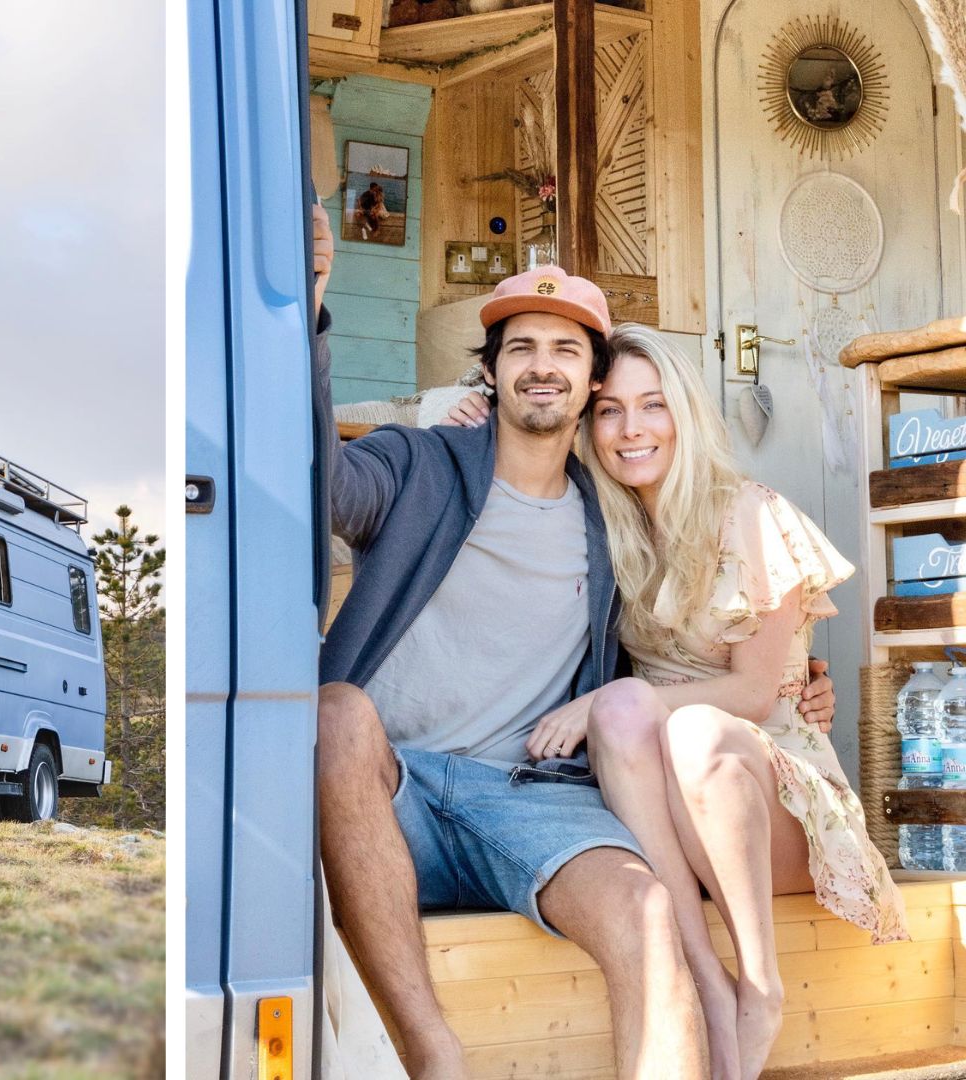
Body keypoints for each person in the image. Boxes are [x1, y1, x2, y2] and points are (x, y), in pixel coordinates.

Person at [308, 203, 837, 1080]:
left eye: (565, 349)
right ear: (490, 373)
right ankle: (432, 1053)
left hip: (530, 798)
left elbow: (687, 646)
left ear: (590, 382)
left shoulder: (615, 522)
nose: (542, 365)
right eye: (520, 348)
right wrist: (310, 317)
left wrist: (800, 681)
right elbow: (317, 483)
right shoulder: (417, 466)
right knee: (333, 716)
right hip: (394, 792)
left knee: (647, 912)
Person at [444, 326, 907, 1080]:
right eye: (611, 411)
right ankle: (705, 981)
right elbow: (522, 445)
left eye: (653, 405)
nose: (632, 429)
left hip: (771, 800)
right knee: (630, 715)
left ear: (684, 413)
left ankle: (760, 988)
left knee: (677, 726)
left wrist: (608, 698)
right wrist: (473, 420)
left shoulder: (749, 512)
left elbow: (754, 692)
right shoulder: (604, 523)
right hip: (658, 805)